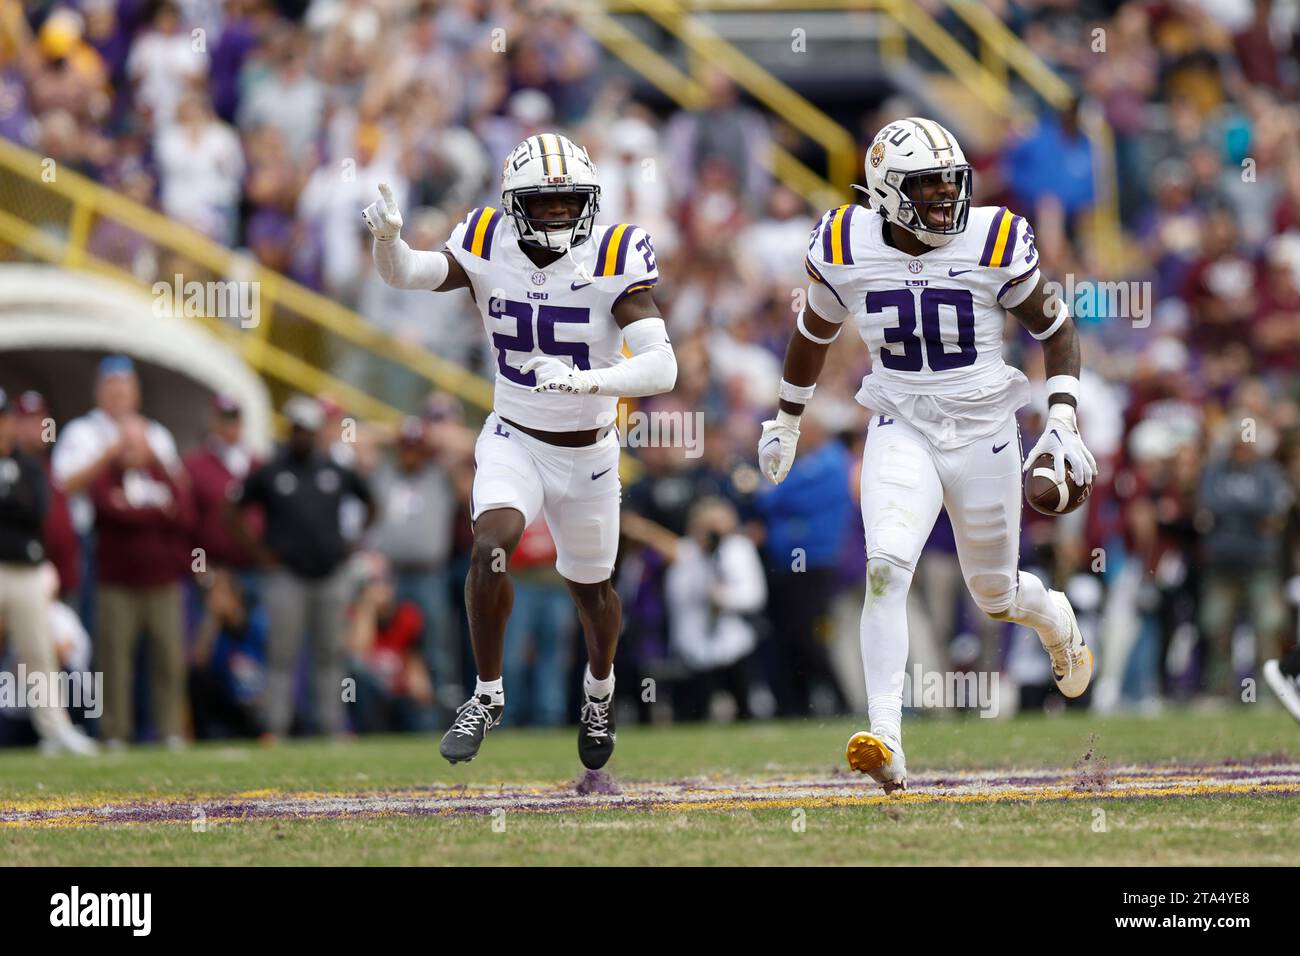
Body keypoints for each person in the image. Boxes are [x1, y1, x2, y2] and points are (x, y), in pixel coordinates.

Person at [759, 118, 1096, 793]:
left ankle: (1054, 616)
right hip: (900, 420)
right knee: (885, 567)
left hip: (985, 429)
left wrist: (1063, 422)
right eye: (928, 186)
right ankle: (886, 737)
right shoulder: (845, 243)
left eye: (952, 182)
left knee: (995, 593)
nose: (946, 197)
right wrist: (786, 418)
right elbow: (812, 333)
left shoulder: (993, 237)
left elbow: (1055, 330)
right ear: (885, 193)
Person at [364, 132, 677, 769]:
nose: (560, 214)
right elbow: (411, 274)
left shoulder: (612, 253)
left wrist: (594, 380)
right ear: (514, 204)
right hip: (515, 437)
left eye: (570, 201)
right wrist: (388, 242)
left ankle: (598, 690)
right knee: (490, 544)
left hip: (590, 453)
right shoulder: (487, 240)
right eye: (546, 202)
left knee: (593, 594)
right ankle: (487, 693)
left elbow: (662, 366)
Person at [226, 395, 374, 739]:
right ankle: (275, 728)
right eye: (297, 429)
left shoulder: (335, 470)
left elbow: (371, 502)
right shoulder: (270, 470)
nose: (302, 436)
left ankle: (332, 727)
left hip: (330, 574)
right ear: (289, 430)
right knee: (281, 654)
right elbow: (232, 509)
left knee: (330, 656)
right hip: (286, 575)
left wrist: (353, 543)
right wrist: (257, 551)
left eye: (308, 429)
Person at [0, 389, 97, 755]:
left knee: (39, 651)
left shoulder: (30, 466)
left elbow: (35, 510)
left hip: (26, 569)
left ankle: (55, 730)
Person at [90, 415, 194, 748]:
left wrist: (137, 511)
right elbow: (109, 511)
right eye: (126, 443)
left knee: (167, 657)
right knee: (115, 659)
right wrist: (155, 512)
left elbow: (184, 512)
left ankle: (170, 729)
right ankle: (115, 731)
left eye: (137, 443)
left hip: (162, 582)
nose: (131, 450)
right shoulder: (106, 476)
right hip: (117, 583)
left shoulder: (163, 473)